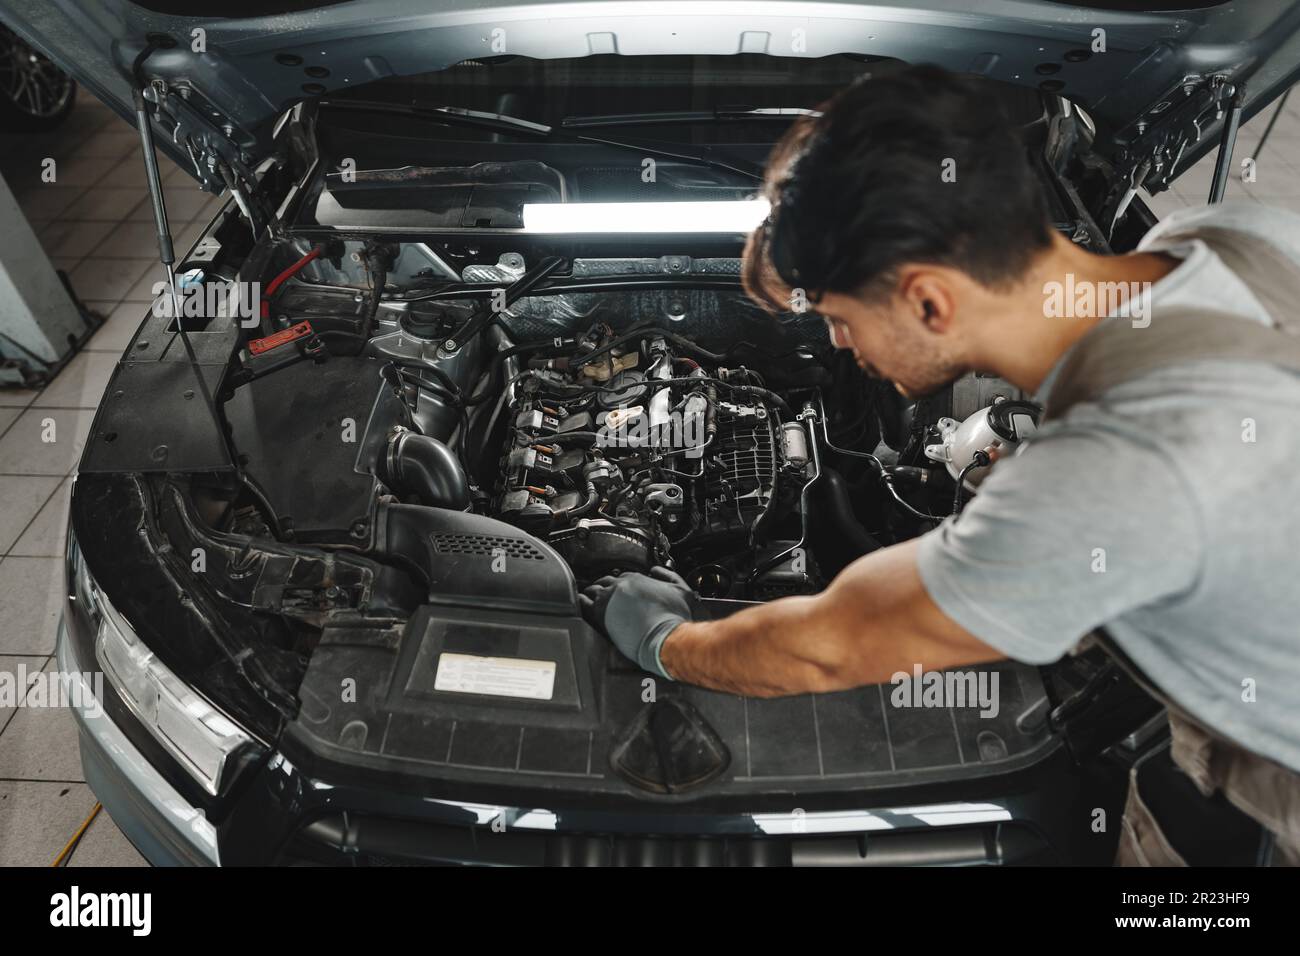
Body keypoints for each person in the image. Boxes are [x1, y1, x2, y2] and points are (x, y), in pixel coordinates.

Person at [579, 64, 1300, 865]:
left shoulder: (1107, 473)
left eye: (840, 320)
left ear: (929, 301)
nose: (838, 347)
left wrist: (663, 640)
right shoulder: (1229, 239)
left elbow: (830, 644)